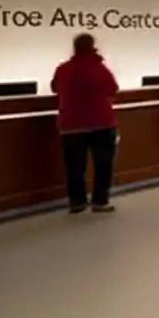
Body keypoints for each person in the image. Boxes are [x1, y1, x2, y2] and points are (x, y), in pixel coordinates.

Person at [51, 33, 120, 213]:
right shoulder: (100, 68)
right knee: (103, 165)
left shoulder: (63, 69)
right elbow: (113, 89)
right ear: (93, 47)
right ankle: (100, 201)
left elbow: (55, 88)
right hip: (102, 123)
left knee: (74, 167)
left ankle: (77, 202)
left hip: (71, 125)